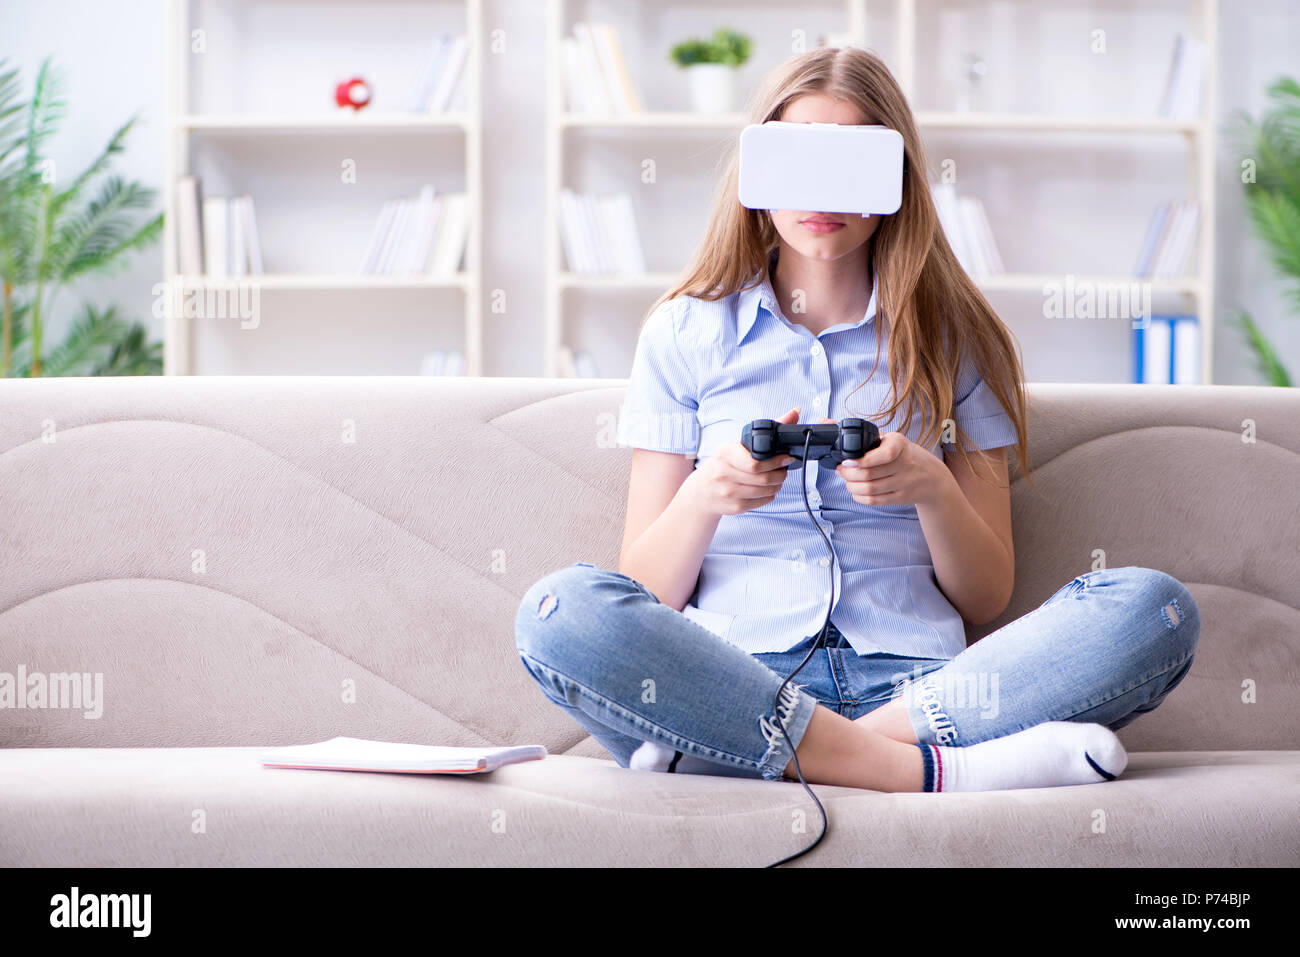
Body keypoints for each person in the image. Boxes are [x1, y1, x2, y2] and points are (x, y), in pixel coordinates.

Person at [514, 46, 1199, 793]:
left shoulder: (957, 337)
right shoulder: (684, 332)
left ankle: (770, 759)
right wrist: (709, 493)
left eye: (852, 163)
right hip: (736, 682)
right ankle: (926, 775)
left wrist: (930, 487)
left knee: (1154, 610)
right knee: (559, 611)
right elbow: (644, 590)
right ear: (758, 170)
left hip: (920, 692)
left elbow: (985, 594)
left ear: (895, 180)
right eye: (800, 157)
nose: (822, 192)